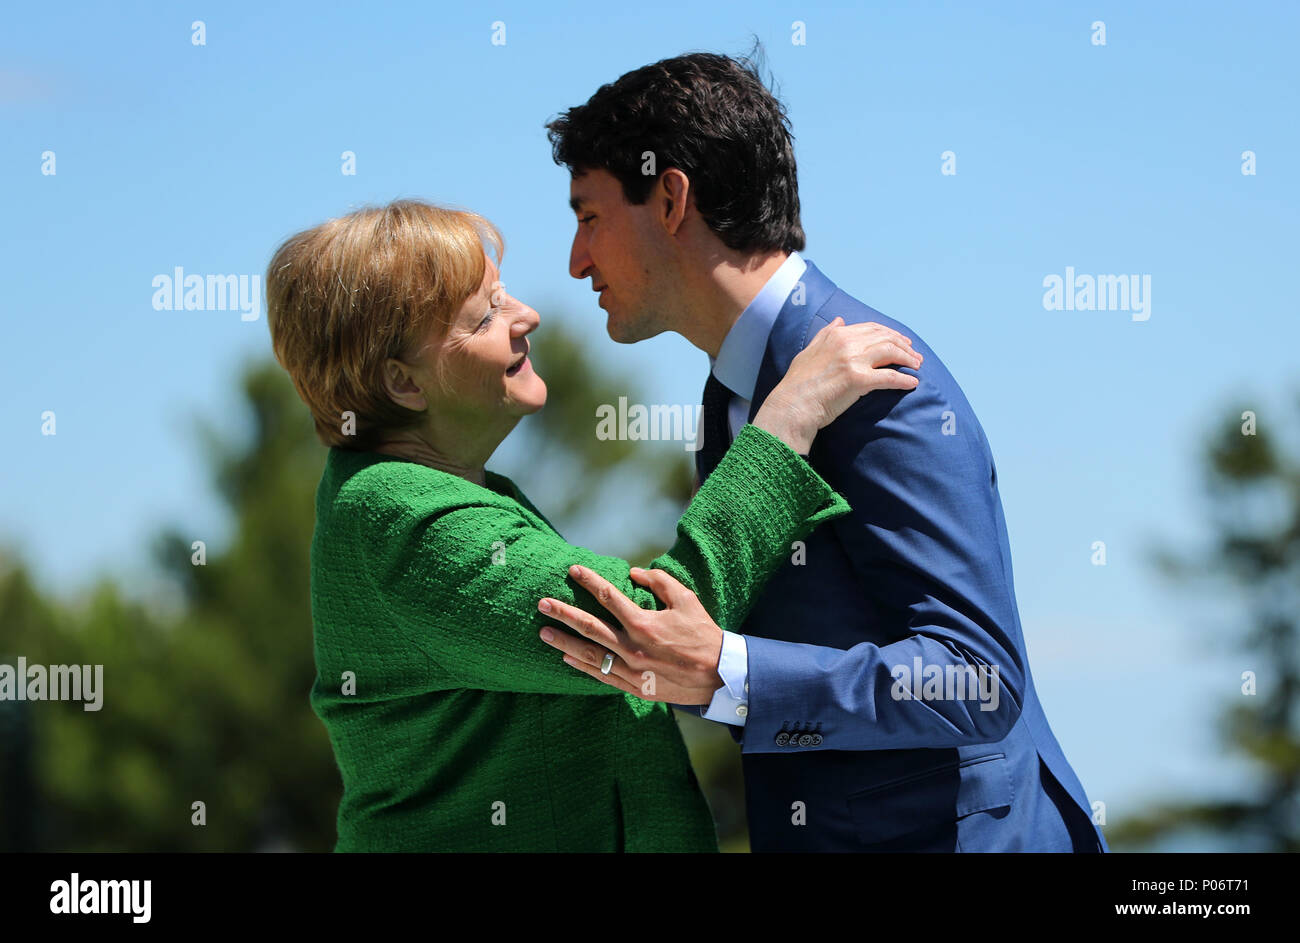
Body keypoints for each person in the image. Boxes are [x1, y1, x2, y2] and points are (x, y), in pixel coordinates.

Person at [538, 51, 1107, 852]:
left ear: (670, 199)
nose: (575, 260)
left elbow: (979, 677)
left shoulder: (885, 383)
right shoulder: (730, 397)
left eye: (588, 216)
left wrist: (730, 672)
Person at [264, 199, 922, 851]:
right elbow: (651, 629)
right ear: (404, 383)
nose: (528, 314)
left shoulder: (428, 492)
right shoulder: (397, 515)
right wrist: (786, 422)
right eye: (486, 313)